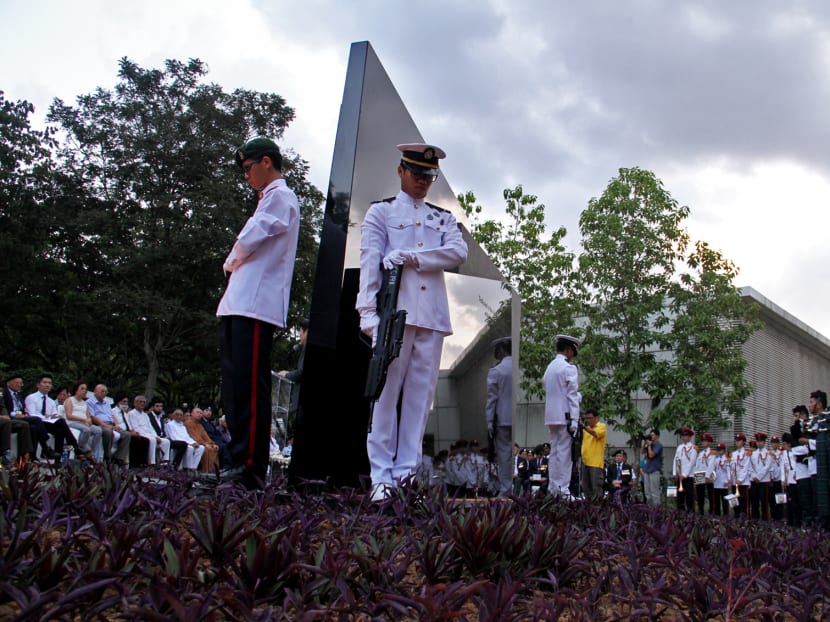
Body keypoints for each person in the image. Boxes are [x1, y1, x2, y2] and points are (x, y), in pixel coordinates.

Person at [356, 143, 468, 501]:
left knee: (420, 402)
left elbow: (458, 252)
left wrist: (414, 257)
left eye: (429, 177)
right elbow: (370, 262)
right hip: (394, 316)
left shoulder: (443, 217)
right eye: (417, 174)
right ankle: (381, 476)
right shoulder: (382, 212)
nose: (423, 182)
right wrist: (368, 314)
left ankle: (406, 475)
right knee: (385, 397)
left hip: (432, 318)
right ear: (401, 170)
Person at [217, 137, 300, 489]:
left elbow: (255, 234)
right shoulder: (269, 198)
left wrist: (231, 258)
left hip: (255, 305)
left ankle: (249, 465)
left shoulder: (281, 196)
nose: (246, 175)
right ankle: (238, 460)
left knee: (250, 388)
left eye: (249, 167)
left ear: (267, 162)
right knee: (236, 386)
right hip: (241, 303)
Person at [543, 334, 582, 500]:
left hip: (551, 416)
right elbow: (571, 395)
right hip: (565, 416)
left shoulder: (551, 366)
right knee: (565, 455)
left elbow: (551, 389)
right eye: (573, 351)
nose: (573, 354)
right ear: (568, 349)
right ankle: (563, 490)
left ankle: (553, 487)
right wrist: (574, 419)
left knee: (554, 453)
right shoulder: (568, 368)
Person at [24, 374, 85, 462]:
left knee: (60, 426)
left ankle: (58, 458)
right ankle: (75, 447)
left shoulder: (51, 401)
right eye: (45, 382)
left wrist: (54, 416)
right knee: (61, 424)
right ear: (38, 385)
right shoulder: (31, 398)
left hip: (48, 423)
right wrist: (47, 416)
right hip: (37, 422)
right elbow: (32, 414)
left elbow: (54, 414)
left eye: (49, 383)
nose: (47, 385)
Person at [485, 336, 513, 497]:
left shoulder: (496, 371)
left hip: (502, 418)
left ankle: (506, 489)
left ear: (501, 350)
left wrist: (489, 421)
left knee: (504, 456)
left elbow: (491, 399)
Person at [87, 384, 130, 464]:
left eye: (105, 392)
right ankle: (107, 456)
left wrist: (116, 425)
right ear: (95, 391)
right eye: (102, 391)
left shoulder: (106, 403)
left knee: (126, 434)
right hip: (99, 424)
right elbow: (93, 417)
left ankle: (118, 458)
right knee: (108, 432)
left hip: (110, 424)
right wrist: (106, 426)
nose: (104, 393)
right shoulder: (90, 402)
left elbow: (112, 415)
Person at [63, 381, 102, 460]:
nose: (84, 391)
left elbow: (88, 416)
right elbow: (69, 415)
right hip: (73, 422)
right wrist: (83, 420)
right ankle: (82, 448)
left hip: (83, 423)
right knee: (86, 430)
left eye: (85, 389)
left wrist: (88, 421)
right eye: (82, 389)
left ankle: (92, 452)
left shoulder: (84, 403)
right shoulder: (70, 400)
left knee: (98, 430)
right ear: (76, 390)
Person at [126, 395, 170, 465]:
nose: (142, 403)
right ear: (135, 403)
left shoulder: (145, 415)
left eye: (144, 402)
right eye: (140, 402)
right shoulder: (131, 414)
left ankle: (164, 463)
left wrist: (156, 436)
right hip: (141, 435)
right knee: (152, 440)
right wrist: (153, 437)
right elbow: (136, 428)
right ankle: (151, 463)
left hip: (150, 435)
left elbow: (151, 428)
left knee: (166, 441)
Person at [808, 390, 830, 529]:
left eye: (812, 402)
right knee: (820, 499)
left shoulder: (827, 420)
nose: (810, 405)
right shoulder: (814, 422)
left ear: (820, 404)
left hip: (825, 466)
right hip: (817, 467)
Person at [580, 408, 607, 501]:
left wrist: (583, 426)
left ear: (596, 418)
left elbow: (595, 434)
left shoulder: (601, 426)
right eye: (586, 418)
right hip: (585, 462)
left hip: (595, 463)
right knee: (586, 488)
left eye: (590, 418)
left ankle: (598, 507)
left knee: (596, 487)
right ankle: (589, 507)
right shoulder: (586, 429)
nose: (588, 420)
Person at [749, 431, 772, 520]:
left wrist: (759, 476)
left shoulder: (768, 453)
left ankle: (765, 519)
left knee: (764, 501)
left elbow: (767, 467)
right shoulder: (753, 453)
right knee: (754, 500)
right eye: (757, 441)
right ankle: (755, 519)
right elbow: (750, 466)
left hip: (763, 480)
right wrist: (754, 476)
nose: (759, 443)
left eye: (761, 441)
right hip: (754, 480)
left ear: (764, 442)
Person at [673, 427, 697, 512]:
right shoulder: (679, 447)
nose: (683, 437)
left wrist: (684, 474)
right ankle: (680, 511)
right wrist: (675, 473)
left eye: (685, 436)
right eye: (682, 436)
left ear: (689, 437)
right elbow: (675, 460)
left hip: (688, 476)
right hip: (679, 475)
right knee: (680, 494)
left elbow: (691, 462)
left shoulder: (693, 448)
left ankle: (690, 511)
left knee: (689, 494)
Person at [694, 433, 715, 514]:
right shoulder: (700, 453)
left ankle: (712, 510)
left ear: (709, 442)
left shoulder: (712, 452)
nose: (703, 442)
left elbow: (711, 465)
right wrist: (696, 475)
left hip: (709, 474)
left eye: (705, 441)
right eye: (702, 441)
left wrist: (707, 476)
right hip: (700, 474)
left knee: (710, 494)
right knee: (700, 493)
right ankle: (701, 510)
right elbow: (697, 465)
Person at [732, 433, 752, 518]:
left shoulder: (747, 453)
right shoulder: (734, 453)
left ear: (743, 442)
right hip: (735, 481)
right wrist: (732, 478)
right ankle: (736, 515)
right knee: (735, 500)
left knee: (744, 500)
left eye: (739, 440)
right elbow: (732, 467)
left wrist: (740, 479)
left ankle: (745, 516)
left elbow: (746, 467)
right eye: (736, 440)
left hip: (744, 481)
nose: (737, 442)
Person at [641, 429, 663, 506]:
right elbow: (642, 452)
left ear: (657, 436)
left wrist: (650, 445)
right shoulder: (650, 444)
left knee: (654, 492)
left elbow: (651, 455)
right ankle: (649, 509)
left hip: (654, 470)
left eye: (652, 435)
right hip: (647, 470)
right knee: (647, 492)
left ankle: (656, 509)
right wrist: (645, 442)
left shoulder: (658, 445)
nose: (651, 437)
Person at [712, 443, 732, 516]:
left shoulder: (726, 459)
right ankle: (717, 514)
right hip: (717, 482)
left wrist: (729, 479)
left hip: (724, 482)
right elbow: (714, 470)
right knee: (716, 500)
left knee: (724, 500)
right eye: (718, 450)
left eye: (720, 450)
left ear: (724, 450)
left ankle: (725, 515)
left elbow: (729, 470)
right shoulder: (716, 459)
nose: (719, 451)